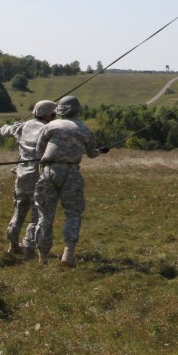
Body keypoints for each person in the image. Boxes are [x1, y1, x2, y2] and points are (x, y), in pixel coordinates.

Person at [33, 95, 108, 267]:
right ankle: (68, 253)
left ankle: (43, 257)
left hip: (48, 171)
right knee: (73, 214)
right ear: (77, 110)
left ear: (58, 110)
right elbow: (91, 153)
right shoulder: (85, 130)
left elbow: (39, 150)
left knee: (45, 215)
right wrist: (101, 150)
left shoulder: (50, 126)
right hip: (72, 173)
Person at [0, 100, 55, 259]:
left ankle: (13, 244)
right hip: (38, 175)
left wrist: (0, 130)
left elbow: (4, 129)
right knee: (37, 214)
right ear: (49, 115)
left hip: (21, 175)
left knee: (19, 210)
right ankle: (29, 247)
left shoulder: (22, 126)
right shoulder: (48, 129)